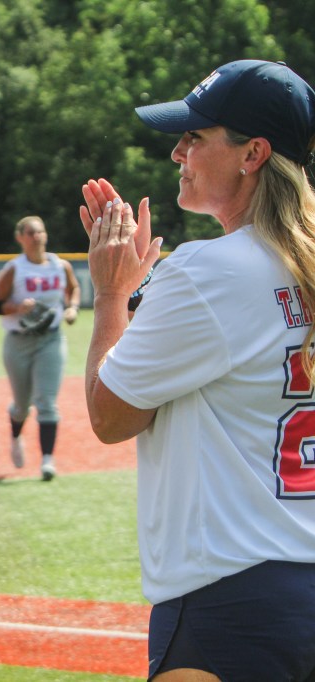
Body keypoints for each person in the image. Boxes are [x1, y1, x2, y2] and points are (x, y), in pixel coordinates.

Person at [81, 59, 315, 680]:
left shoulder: (209, 268)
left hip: (231, 595)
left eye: (196, 136)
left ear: (253, 154)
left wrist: (110, 295)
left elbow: (110, 413)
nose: (178, 151)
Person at [0, 216, 80, 481]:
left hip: (51, 339)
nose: (36, 236)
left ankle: (47, 462)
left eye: (40, 231)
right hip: (19, 341)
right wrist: (17, 308)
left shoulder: (60, 265)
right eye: (30, 232)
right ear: (20, 237)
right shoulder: (15, 269)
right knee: (22, 405)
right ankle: (16, 436)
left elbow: (73, 289)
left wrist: (72, 307)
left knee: (47, 402)